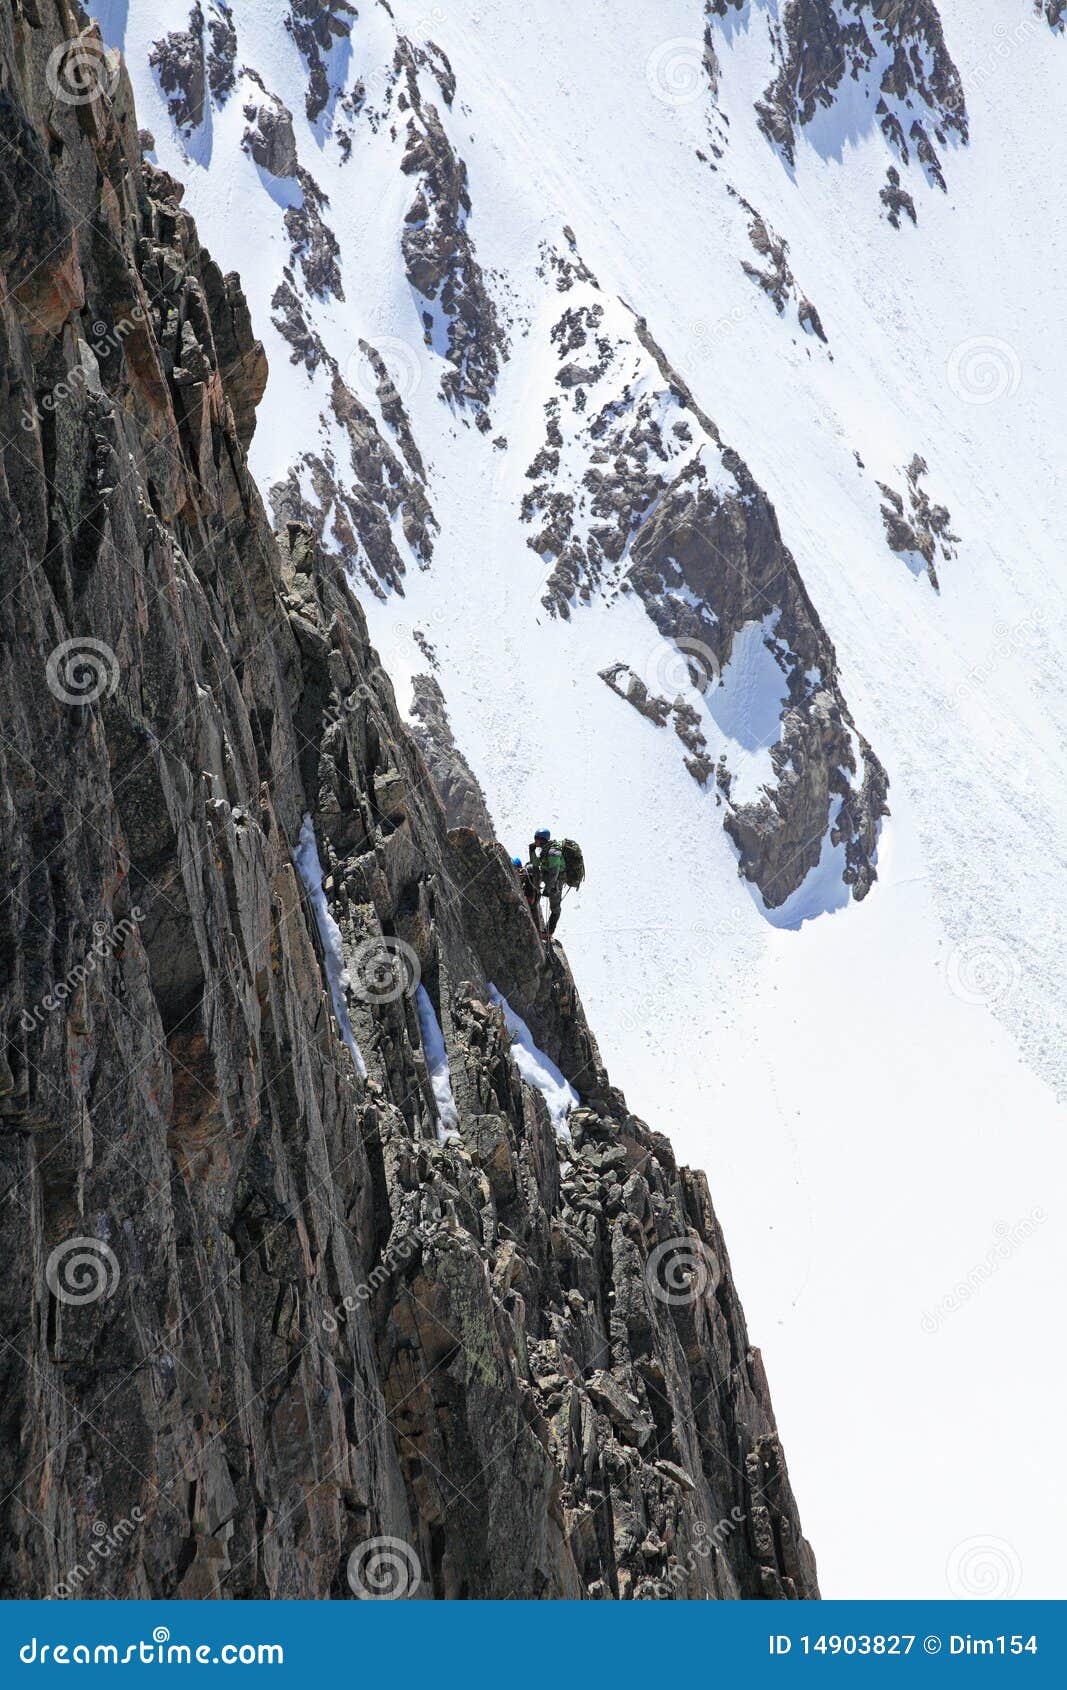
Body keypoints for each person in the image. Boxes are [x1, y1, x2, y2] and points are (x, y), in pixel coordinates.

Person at [529, 828, 566, 936]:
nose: (535, 841)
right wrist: (531, 851)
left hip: (556, 881)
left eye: (536, 839)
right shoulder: (545, 850)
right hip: (547, 874)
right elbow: (536, 865)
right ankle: (532, 897)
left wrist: (548, 889)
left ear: (543, 840)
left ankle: (548, 932)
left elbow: (554, 874)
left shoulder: (553, 853)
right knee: (530, 868)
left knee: (555, 907)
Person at [512, 855, 543, 928]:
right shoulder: (529, 874)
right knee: (534, 913)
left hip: (529, 897)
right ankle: (538, 931)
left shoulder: (524, 874)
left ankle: (536, 931)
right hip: (534, 897)